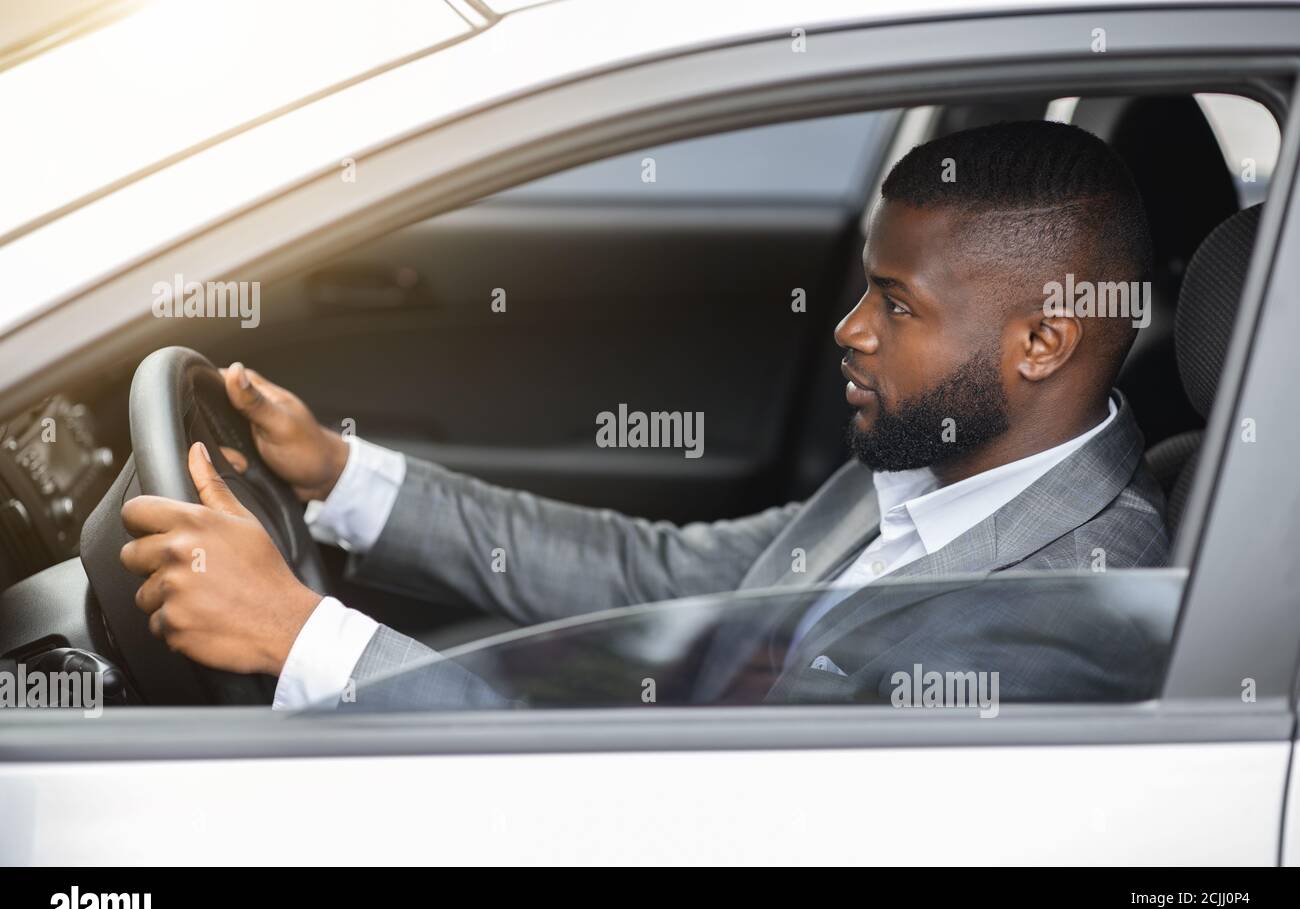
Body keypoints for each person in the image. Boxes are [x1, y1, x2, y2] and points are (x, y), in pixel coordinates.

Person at [119, 120, 1168, 710]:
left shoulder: (1060, 621)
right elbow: (657, 577)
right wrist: (339, 475)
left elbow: (689, 831)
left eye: (896, 305)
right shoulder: (930, 465)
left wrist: (306, 637)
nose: (847, 331)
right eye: (863, 289)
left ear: (1043, 341)